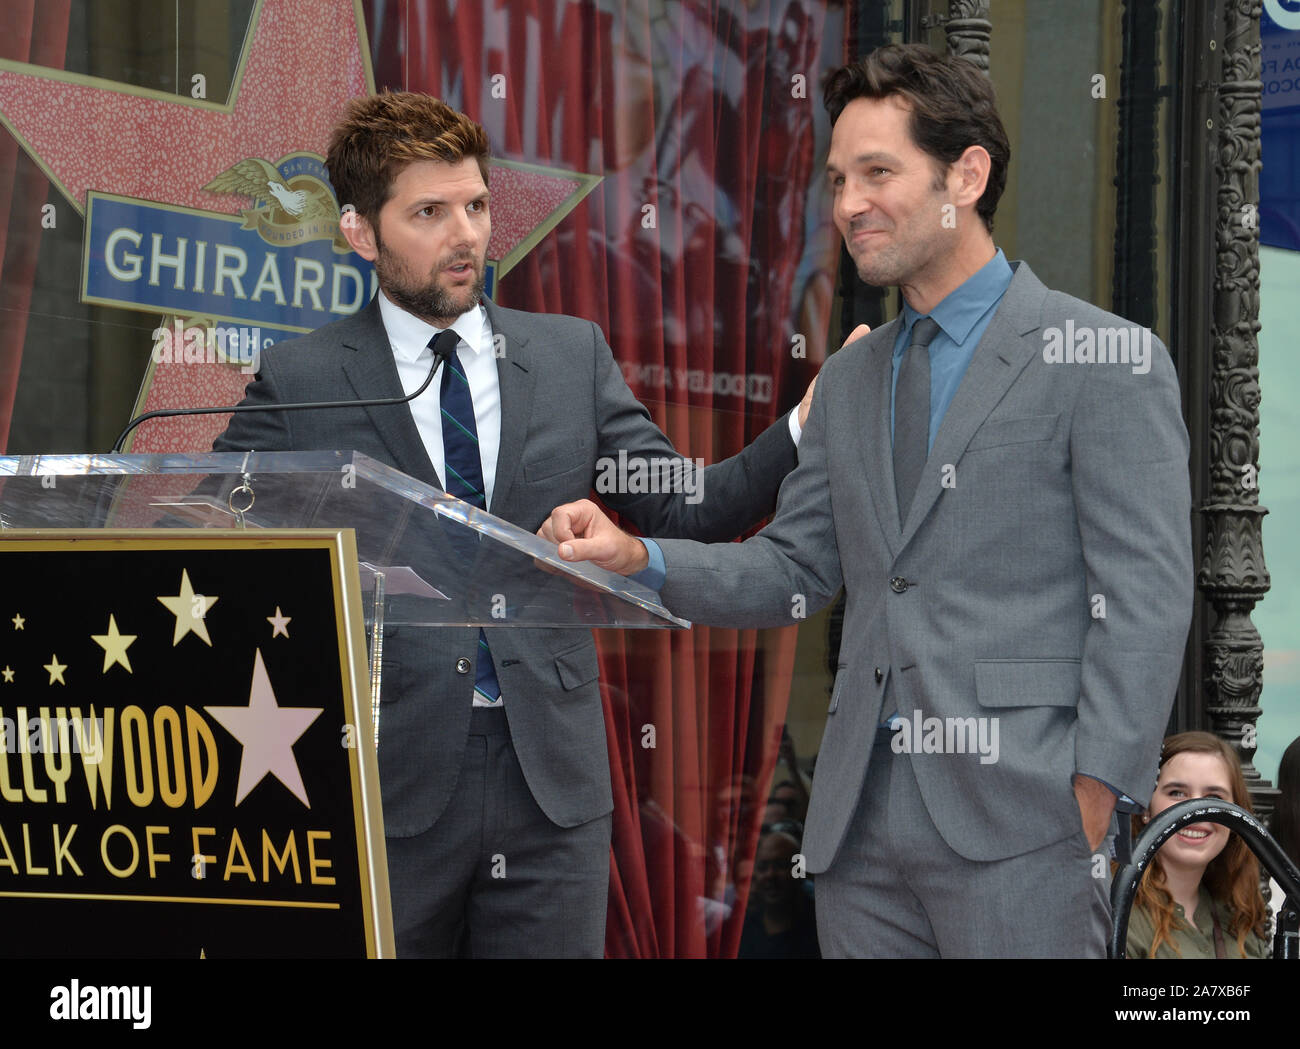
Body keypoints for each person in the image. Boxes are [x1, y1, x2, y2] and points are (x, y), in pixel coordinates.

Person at [541, 43, 1194, 957]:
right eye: (840, 177)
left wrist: (1095, 795)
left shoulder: (1103, 359)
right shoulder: (849, 379)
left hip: (1026, 826)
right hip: (858, 833)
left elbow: (1147, 596)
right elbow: (794, 568)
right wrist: (637, 557)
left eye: (878, 172)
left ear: (965, 175)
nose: (848, 203)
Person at [212, 91, 813, 957]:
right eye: (429, 212)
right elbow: (207, 523)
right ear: (358, 232)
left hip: (550, 790)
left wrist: (801, 427)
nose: (465, 235)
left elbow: (689, 502)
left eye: (476, 205)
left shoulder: (570, 358)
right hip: (385, 781)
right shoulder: (302, 379)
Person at [1125, 732, 1269, 959]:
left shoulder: (1239, 918)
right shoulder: (1116, 913)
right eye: (1177, 793)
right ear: (1146, 808)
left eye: (1214, 797)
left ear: (1236, 816)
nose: (1194, 812)